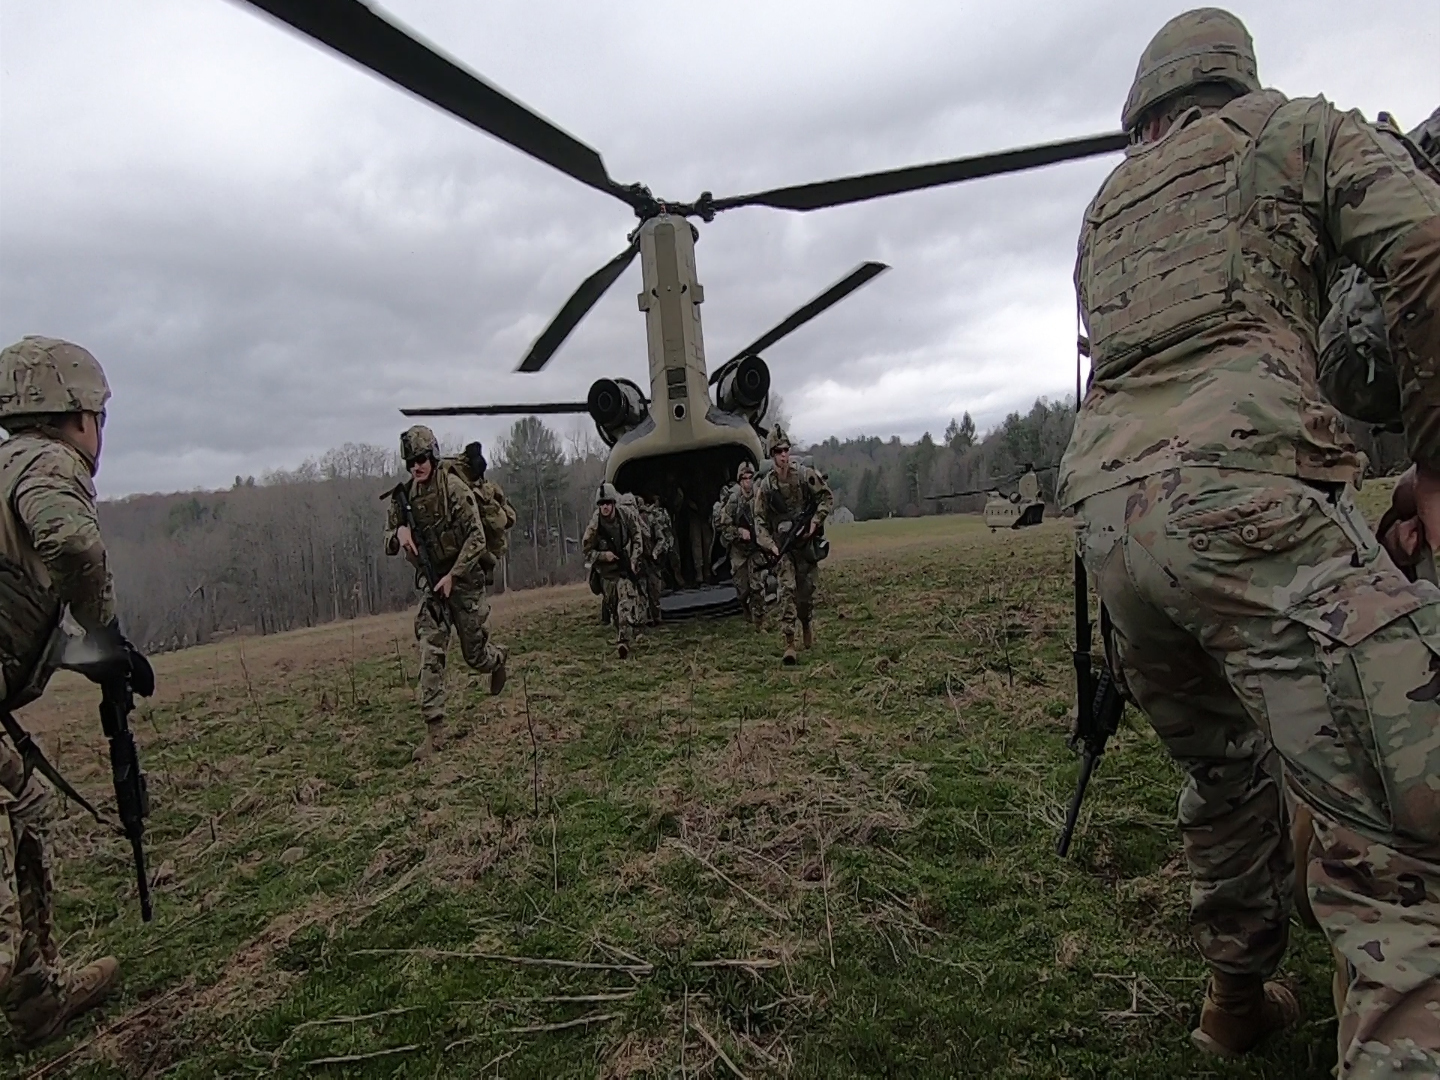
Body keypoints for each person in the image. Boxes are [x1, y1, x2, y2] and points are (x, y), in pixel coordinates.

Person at [1058, 9, 1440, 1072]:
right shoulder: (1293, 132)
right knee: (1390, 830)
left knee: (1224, 776)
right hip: (1251, 502)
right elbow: (1426, 240)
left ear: (1145, 109)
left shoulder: (1105, 206)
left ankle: (1236, 1002)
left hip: (1114, 529)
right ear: (1236, 79)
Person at [0, 336, 123, 1044]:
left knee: (24, 798)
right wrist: (104, 630)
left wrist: (84, 655)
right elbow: (73, 545)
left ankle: (34, 1000)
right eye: (100, 417)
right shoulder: (48, 462)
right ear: (76, 412)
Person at [385, 425, 507, 761]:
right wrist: (399, 533)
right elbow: (387, 542)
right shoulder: (405, 498)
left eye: (422, 459)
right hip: (432, 584)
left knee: (474, 656)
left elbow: (478, 538)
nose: (416, 467)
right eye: (411, 462)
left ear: (433, 456)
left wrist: (454, 575)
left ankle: (497, 660)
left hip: (464, 579)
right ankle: (435, 732)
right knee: (431, 650)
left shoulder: (453, 489)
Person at [753, 426, 833, 664]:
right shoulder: (766, 488)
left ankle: (806, 622)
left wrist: (814, 523)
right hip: (783, 547)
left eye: (786, 450)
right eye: (778, 451)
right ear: (772, 454)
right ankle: (789, 642)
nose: (784, 455)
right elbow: (759, 521)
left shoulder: (803, 475)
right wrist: (771, 546)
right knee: (787, 590)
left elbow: (826, 497)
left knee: (806, 593)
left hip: (805, 545)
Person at [582, 483, 644, 658]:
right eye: (602, 504)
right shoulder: (594, 526)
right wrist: (603, 556)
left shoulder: (626, 516)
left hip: (623, 568)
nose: (605, 507)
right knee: (614, 608)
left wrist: (634, 559)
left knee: (626, 601)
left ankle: (623, 642)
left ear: (614, 503)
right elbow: (586, 553)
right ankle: (622, 632)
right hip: (606, 574)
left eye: (608, 503)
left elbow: (637, 537)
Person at [718, 461, 765, 628]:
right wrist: (739, 532)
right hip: (739, 550)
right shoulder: (733, 500)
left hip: (755, 548)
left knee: (757, 586)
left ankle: (758, 622)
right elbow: (724, 527)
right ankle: (745, 607)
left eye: (750, 477)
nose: (748, 482)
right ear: (739, 481)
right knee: (742, 589)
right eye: (744, 478)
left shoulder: (760, 496)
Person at [636, 495, 667, 626]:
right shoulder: (630, 522)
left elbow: (661, 539)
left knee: (654, 593)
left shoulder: (651, 519)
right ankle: (644, 620)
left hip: (651, 561)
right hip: (640, 562)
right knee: (641, 594)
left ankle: (655, 618)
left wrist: (655, 552)